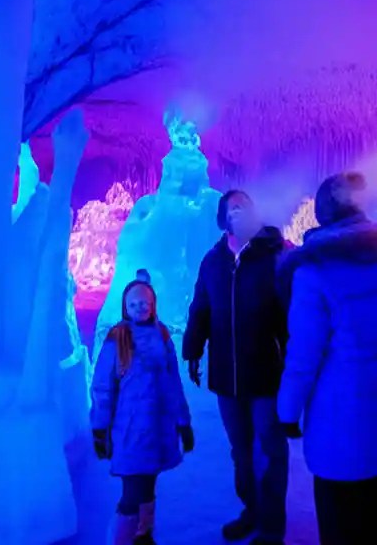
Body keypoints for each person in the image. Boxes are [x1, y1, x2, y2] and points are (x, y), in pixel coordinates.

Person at [277, 173, 377, 545]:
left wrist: (287, 412)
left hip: (337, 408)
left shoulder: (314, 272)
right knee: (375, 507)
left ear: (323, 214)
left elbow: (303, 355)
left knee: (339, 513)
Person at [182, 190, 291, 544]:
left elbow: (290, 315)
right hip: (226, 375)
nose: (241, 212)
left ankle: (272, 526)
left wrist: (294, 361)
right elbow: (201, 307)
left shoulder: (274, 257)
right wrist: (194, 349)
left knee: (270, 448)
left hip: (265, 373)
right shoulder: (213, 261)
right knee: (241, 449)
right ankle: (252, 511)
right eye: (234, 208)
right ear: (223, 219)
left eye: (247, 205)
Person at [91, 273, 195, 545]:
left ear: (153, 305)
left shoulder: (161, 335)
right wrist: (100, 429)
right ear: (126, 306)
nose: (140, 308)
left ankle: (143, 534)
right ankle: (122, 539)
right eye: (134, 304)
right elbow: (103, 388)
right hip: (129, 432)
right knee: (132, 493)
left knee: (148, 485)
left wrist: (183, 423)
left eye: (145, 303)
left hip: (158, 431)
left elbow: (173, 383)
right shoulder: (118, 338)